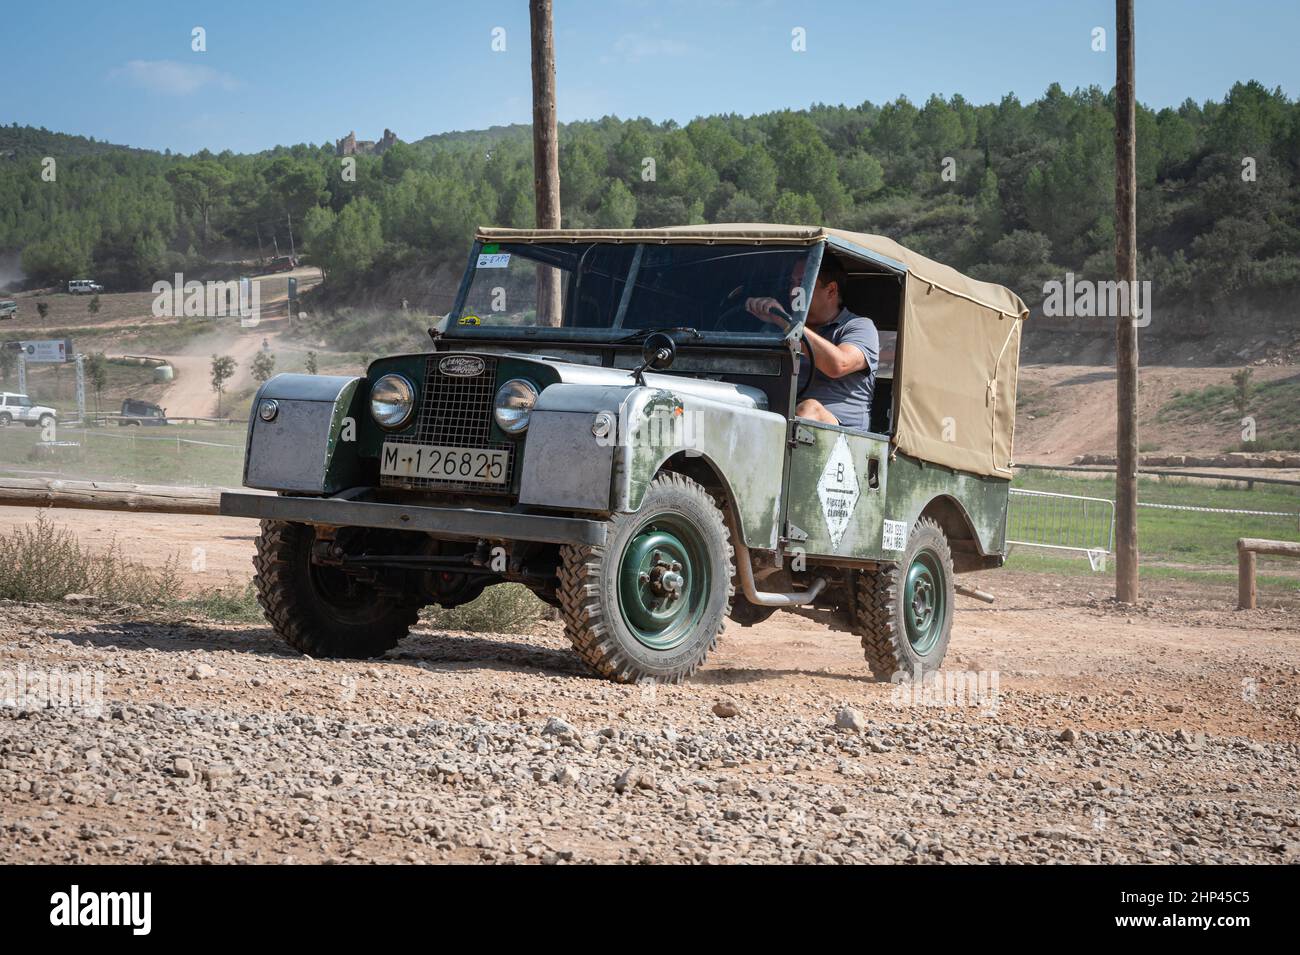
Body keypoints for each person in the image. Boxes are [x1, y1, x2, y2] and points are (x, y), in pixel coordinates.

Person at [745, 256, 879, 430]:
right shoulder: (776, 329)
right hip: (781, 417)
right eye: (792, 282)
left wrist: (787, 323)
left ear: (831, 290)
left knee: (809, 409)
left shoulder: (859, 327)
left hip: (842, 433)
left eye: (802, 282)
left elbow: (838, 364)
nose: (793, 291)